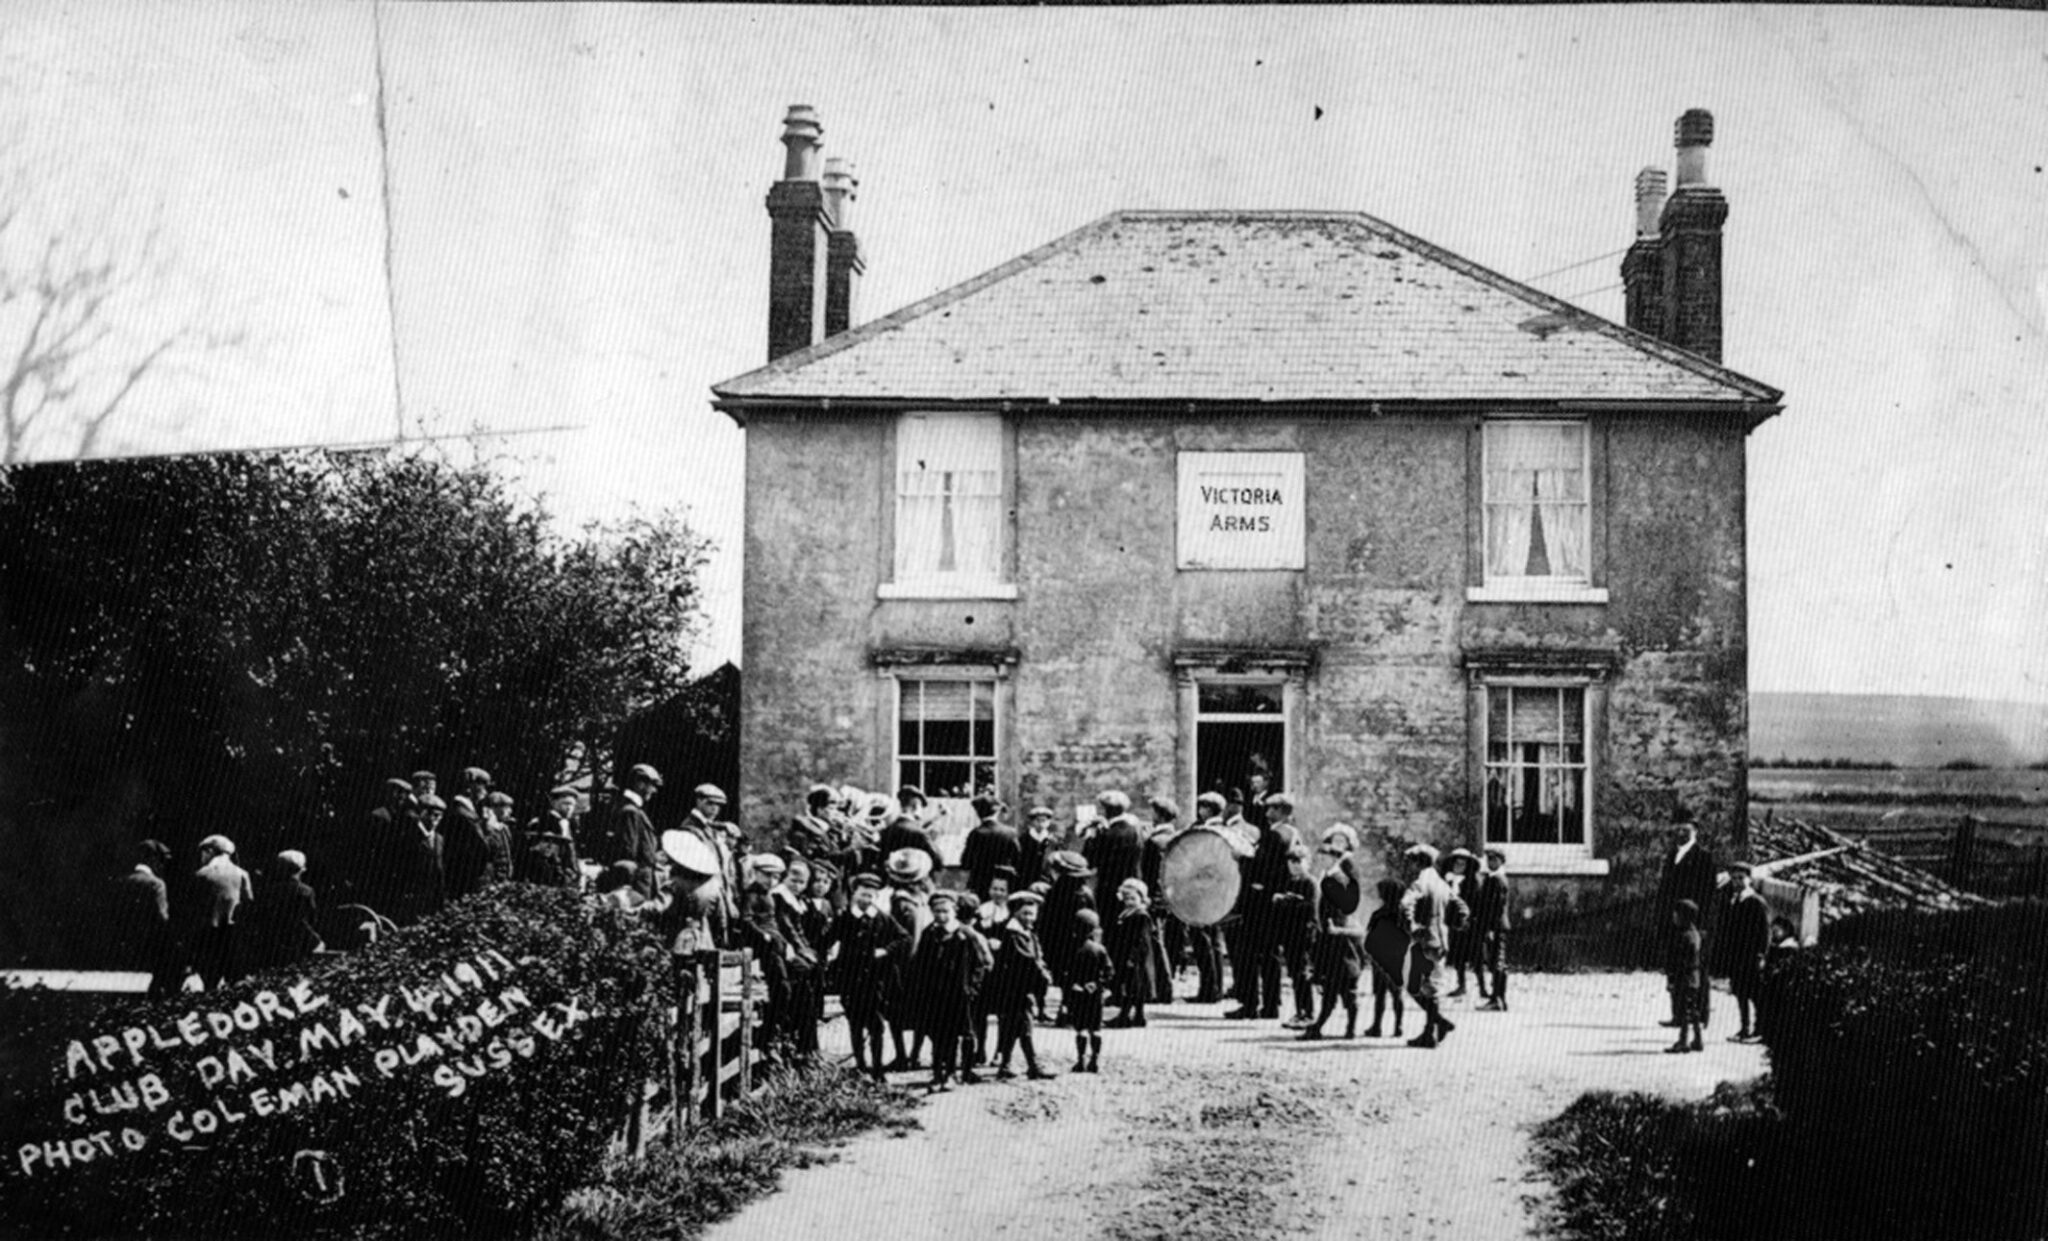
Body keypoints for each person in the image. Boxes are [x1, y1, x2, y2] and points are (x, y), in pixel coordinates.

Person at [1228, 791, 1301, 1020]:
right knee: (1270, 956)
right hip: (1274, 901)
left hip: (1259, 903)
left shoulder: (1274, 835)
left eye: (1271, 808)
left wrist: (1241, 857)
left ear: (1280, 811)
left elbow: (1263, 865)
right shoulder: (1292, 832)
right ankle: (1271, 1005)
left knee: (1247, 953)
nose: (1267, 812)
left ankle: (1249, 1004)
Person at [826, 872, 902, 1079]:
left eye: (870, 896)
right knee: (855, 1024)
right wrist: (828, 956)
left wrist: (885, 950)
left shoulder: (882, 918)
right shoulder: (844, 918)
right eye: (862, 894)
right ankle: (860, 1066)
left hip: (874, 981)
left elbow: (903, 938)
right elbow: (827, 939)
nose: (866, 899)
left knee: (876, 1026)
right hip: (850, 979)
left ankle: (877, 1069)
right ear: (854, 894)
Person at [911, 891, 987, 1092]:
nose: (941, 916)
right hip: (935, 993)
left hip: (958, 993)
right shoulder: (929, 934)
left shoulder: (964, 934)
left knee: (956, 1034)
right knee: (937, 1034)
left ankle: (953, 1073)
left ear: (954, 911)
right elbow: (920, 963)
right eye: (937, 911)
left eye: (945, 911)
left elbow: (980, 964)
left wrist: (972, 987)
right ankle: (937, 1073)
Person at [1300, 826, 1367, 1040]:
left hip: (1337, 937)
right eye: (1321, 856)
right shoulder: (1328, 875)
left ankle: (1348, 1028)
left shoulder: (1338, 877)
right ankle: (1320, 1027)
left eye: (1326, 857)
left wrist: (1334, 925)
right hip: (1328, 937)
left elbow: (1345, 905)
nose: (1322, 860)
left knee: (1345, 985)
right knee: (1331, 985)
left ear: (1335, 858)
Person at [1657, 805, 1717, 1030]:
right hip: (1672, 922)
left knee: (1696, 969)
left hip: (1693, 924)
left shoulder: (1703, 858)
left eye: (1686, 829)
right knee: (1675, 968)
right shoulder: (1672, 855)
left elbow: (1708, 895)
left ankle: (1699, 1016)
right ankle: (1679, 1015)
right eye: (1678, 829)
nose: (1681, 833)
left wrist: (1700, 925)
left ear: (1695, 831)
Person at [987, 890, 1056, 1080]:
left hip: (1022, 988)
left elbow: (1038, 956)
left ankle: (1006, 1065)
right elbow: (1027, 960)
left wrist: (1042, 969)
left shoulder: (1028, 933)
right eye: (1025, 913)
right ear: (1015, 912)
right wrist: (1043, 976)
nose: (1029, 918)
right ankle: (1032, 1065)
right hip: (1013, 988)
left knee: (1013, 1027)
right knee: (1024, 1027)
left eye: (1032, 914)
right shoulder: (1013, 935)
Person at [1399, 842, 1457, 1049]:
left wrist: (1412, 926)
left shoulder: (1420, 882)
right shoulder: (1441, 883)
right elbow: (1457, 906)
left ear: (1418, 863)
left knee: (1413, 982)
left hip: (1425, 939)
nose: (1409, 867)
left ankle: (1438, 1023)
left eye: (1411, 862)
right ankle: (1431, 1030)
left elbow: (1405, 904)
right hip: (1441, 938)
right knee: (1431, 985)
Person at [113, 840, 182, 998]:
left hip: (123, 943)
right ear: (153, 859)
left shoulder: (122, 881)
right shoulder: (156, 884)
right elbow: (162, 917)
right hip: (149, 944)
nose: (162, 866)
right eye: (161, 861)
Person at [190, 835, 254, 990]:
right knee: (235, 981)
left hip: (208, 933)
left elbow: (194, 906)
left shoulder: (202, 873)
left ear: (210, 851)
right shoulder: (242, 874)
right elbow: (249, 901)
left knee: (209, 980)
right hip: (234, 933)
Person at [1039, 850, 1096, 1021]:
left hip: (1057, 940)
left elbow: (1047, 918)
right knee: (1077, 974)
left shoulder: (1055, 892)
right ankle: (1072, 1008)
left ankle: (1066, 1007)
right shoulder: (1086, 893)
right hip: (1079, 940)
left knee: (1063, 975)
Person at [245, 850, 322, 971]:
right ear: (301, 869)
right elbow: (312, 918)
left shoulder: (267, 891)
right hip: (299, 939)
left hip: (271, 941)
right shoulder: (306, 891)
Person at [1720, 863, 1771, 1042]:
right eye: (1734, 878)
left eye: (1741, 878)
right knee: (1740, 992)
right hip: (1737, 955)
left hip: (1751, 955)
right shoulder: (1734, 900)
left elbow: (1765, 931)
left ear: (1749, 879)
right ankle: (1744, 1028)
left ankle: (1759, 1030)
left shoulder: (1756, 901)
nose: (1737, 882)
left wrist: (1761, 954)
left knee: (1755, 994)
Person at [1140, 797, 1182, 1004]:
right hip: (1172, 896)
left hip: (1155, 898)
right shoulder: (1178, 838)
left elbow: (1150, 873)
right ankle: (1164, 987)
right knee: (1165, 943)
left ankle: (1163, 990)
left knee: (1157, 945)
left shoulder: (1154, 842)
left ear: (1159, 815)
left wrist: (1148, 897)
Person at [1273, 843, 1320, 1027]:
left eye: (1298, 861)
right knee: (1294, 974)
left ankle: (1307, 1013)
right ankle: (1300, 1011)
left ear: (1307, 862)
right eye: (1291, 862)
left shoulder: (1310, 883)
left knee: (1302, 974)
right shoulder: (1288, 882)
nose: (1294, 866)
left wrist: (1287, 901)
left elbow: (1310, 909)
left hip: (1303, 934)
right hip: (1289, 934)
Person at [1065, 908, 1114, 1073]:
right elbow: (1109, 971)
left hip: (1078, 993)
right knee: (1096, 1029)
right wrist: (1098, 984)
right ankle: (1094, 1060)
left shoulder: (1071, 949)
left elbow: (1066, 972)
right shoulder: (1100, 949)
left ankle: (1080, 1060)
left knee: (1081, 1029)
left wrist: (1075, 984)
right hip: (1096, 995)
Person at [1105, 877, 1156, 1028]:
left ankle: (1125, 1016)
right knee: (1133, 988)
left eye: (1133, 898)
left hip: (1135, 958)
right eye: (1126, 898)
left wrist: (1133, 958)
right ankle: (1138, 1016)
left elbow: (1141, 940)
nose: (1129, 901)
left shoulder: (1141, 916)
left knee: (1131, 988)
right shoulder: (1126, 913)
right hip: (1125, 954)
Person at [1363, 877, 1409, 1039]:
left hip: (1380, 959)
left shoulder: (1378, 914)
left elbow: (1371, 937)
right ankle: (1398, 1026)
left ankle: (1377, 1026)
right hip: (1398, 959)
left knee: (1380, 995)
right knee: (1397, 994)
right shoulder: (1405, 914)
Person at [1083, 791, 1146, 905]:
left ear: (1107, 811)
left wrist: (1092, 834)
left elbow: (1090, 861)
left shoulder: (1106, 835)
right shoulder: (1134, 831)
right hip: (1130, 887)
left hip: (1108, 890)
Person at [393, 795, 447, 924]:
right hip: (412, 898)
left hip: (433, 898)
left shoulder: (439, 839)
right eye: (434, 815)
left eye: (440, 816)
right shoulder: (409, 837)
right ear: (422, 813)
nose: (437, 819)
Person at [960, 794, 1024, 899]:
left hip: (979, 884)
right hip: (1004, 884)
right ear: (996, 811)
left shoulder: (975, 834)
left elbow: (966, 863)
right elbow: (1018, 861)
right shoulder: (1010, 833)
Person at [519, 786, 583, 888]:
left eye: (572, 805)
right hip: (547, 877)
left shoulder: (571, 825)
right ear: (554, 803)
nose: (569, 808)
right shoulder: (541, 822)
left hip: (567, 877)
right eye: (566, 803)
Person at [1475, 847, 1513, 1012]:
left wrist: (1490, 928)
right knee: (1496, 962)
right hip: (1496, 926)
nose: (1490, 862)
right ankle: (1498, 998)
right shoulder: (1495, 878)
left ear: (1501, 862)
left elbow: (1495, 907)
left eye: (1494, 859)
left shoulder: (1496, 880)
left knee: (1497, 963)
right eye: (1489, 859)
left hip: (1496, 926)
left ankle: (1497, 999)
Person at [1665, 899, 1706, 1053]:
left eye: (1676, 914)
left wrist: (1672, 979)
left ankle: (1683, 1041)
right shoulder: (1694, 933)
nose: (1674, 917)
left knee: (1683, 1010)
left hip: (1684, 977)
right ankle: (1697, 1039)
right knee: (1692, 1010)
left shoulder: (1684, 936)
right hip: (1693, 977)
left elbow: (1679, 961)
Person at [1444, 848, 1483, 998]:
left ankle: (1482, 987)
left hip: (1470, 925)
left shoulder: (1472, 882)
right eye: (1456, 864)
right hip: (1455, 924)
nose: (1458, 867)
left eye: (1462, 864)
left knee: (1476, 957)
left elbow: (1477, 903)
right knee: (1458, 957)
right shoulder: (1448, 881)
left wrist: (1471, 920)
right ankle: (1461, 985)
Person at [786, 783, 843, 862]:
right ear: (820, 810)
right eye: (831, 809)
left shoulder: (824, 829)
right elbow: (826, 857)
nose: (836, 813)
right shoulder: (808, 829)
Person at [478, 792, 518, 889]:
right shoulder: (485, 828)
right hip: (490, 878)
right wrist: (490, 828)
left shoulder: (505, 828)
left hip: (505, 877)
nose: (510, 811)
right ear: (495, 808)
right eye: (507, 807)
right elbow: (489, 850)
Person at [1017, 805, 1057, 889]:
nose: (1041, 824)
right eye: (1038, 820)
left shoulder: (1052, 841)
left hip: (1044, 879)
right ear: (1032, 822)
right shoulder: (1024, 839)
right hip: (1025, 877)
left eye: (1044, 820)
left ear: (1048, 822)